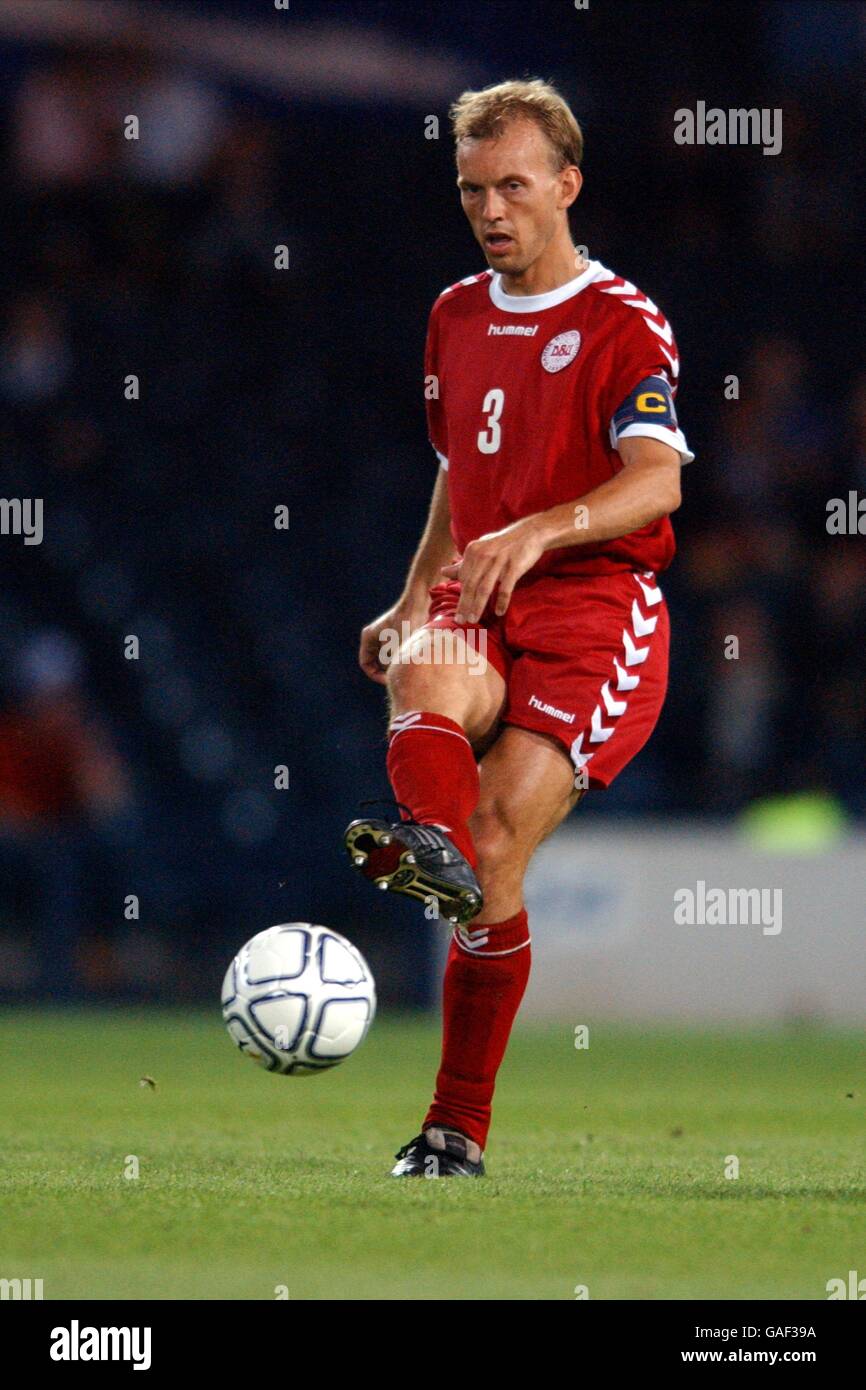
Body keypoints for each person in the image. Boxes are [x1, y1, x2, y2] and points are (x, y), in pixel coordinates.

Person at [345, 79, 693, 1177]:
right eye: (470, 190)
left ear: (565, 186)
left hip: (595, 610)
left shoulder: (620, 322)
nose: (490, 209)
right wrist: (413, 594)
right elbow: (456, 474)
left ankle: (454, 1129)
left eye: (511, 185)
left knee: (497, 855)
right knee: (421, 666)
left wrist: (541, 531)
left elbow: (656, 485)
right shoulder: (454, 313)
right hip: (483, 587)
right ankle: (428, 841)